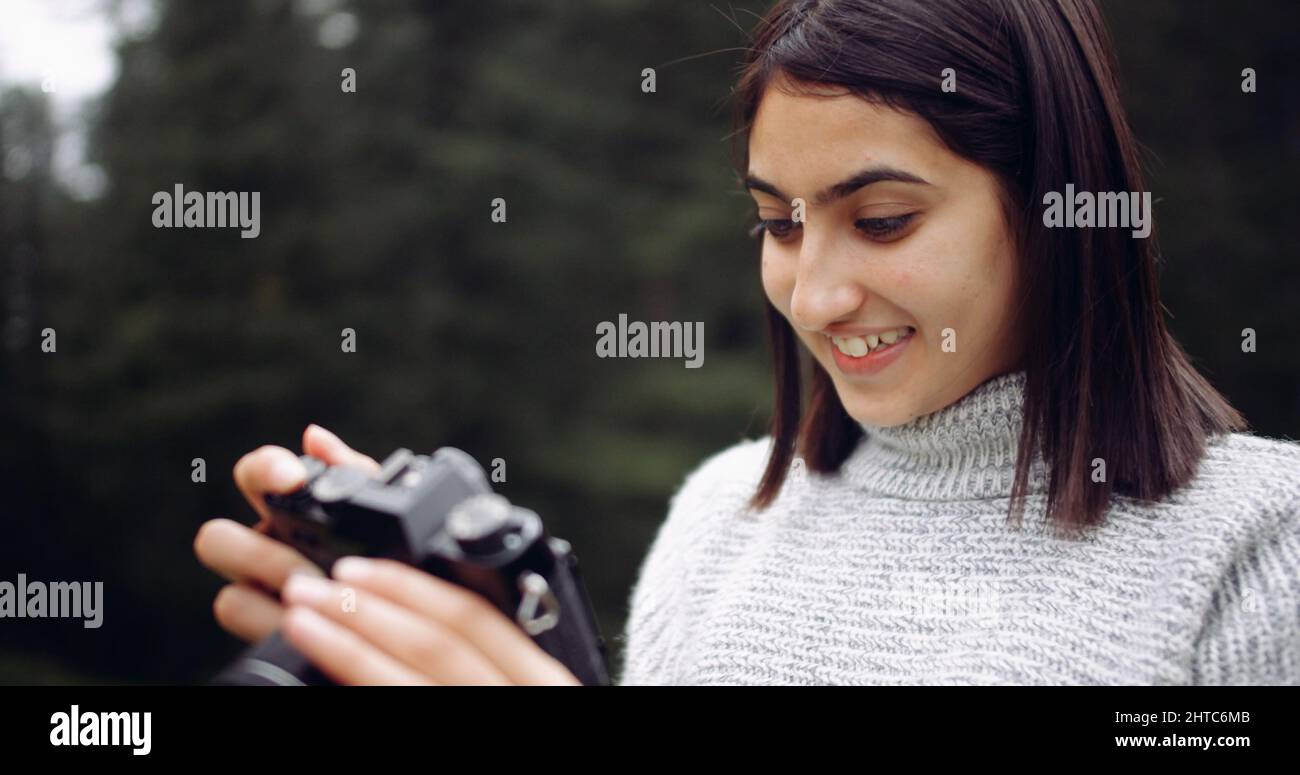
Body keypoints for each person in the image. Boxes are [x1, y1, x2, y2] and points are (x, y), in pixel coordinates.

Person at [194, 0, 1300, 685]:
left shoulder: (1256, 545)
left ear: (1056, 205)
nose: (811, 293)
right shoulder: (721, 515)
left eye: (881, 220)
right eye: (777, 222)